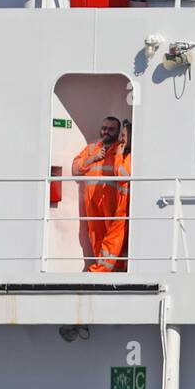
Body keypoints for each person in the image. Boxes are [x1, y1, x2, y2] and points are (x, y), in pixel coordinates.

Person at [72, 115, 130, 272]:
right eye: (104, 128)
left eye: (111, 129)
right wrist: (93, 158)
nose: (106, 132)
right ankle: (101, 268)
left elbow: (122, 172)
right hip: (91, 204)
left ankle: (113, 270)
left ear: (118, 132)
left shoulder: (120, 150)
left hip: (111, 203)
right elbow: (75, 168)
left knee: (112, 238)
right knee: (94, 237)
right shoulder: (91, 148)